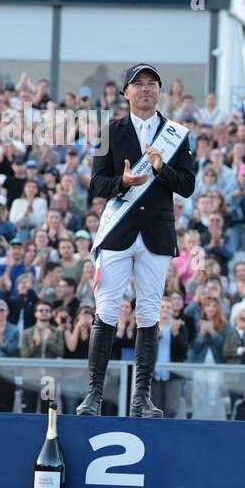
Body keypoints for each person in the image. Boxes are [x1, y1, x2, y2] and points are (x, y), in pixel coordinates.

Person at [77, 64, 197, 418]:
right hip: (119, 231)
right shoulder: (110, 131)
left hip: (156, 234)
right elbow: (96, 185)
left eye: (152, 84)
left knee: (148, 314)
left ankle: (141, 397)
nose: (145, 89)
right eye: (138, 84)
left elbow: (187, 186)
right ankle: (94, 396)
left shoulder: (177, 134)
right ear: (125, 92)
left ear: (160, 91)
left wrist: (161, 170)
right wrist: (123, 183)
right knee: (107, 311)